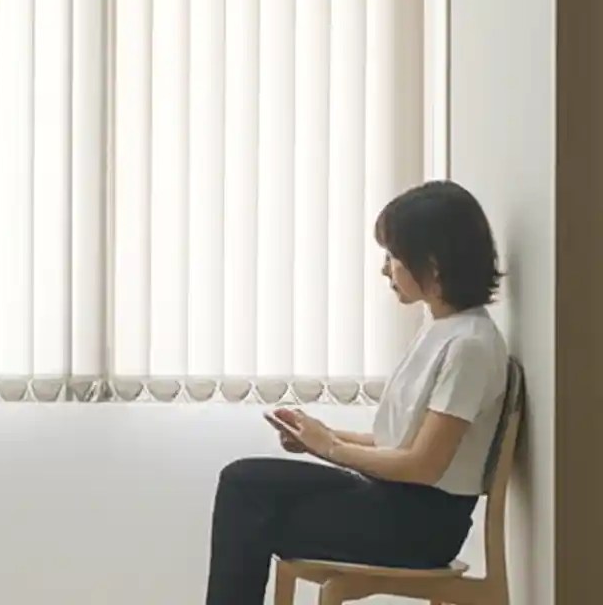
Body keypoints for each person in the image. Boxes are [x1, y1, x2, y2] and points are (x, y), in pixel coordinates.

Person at [204, 180, 509, 605]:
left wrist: (328, 446)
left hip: (420, 528)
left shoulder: (470, 346)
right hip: (396, 505)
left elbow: (423, 465)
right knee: (245, 483)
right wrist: (323, 435)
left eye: (394, 257)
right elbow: (402, 442)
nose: (386, 269)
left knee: (249, 504)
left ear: (433, 266)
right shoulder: (442, 330)